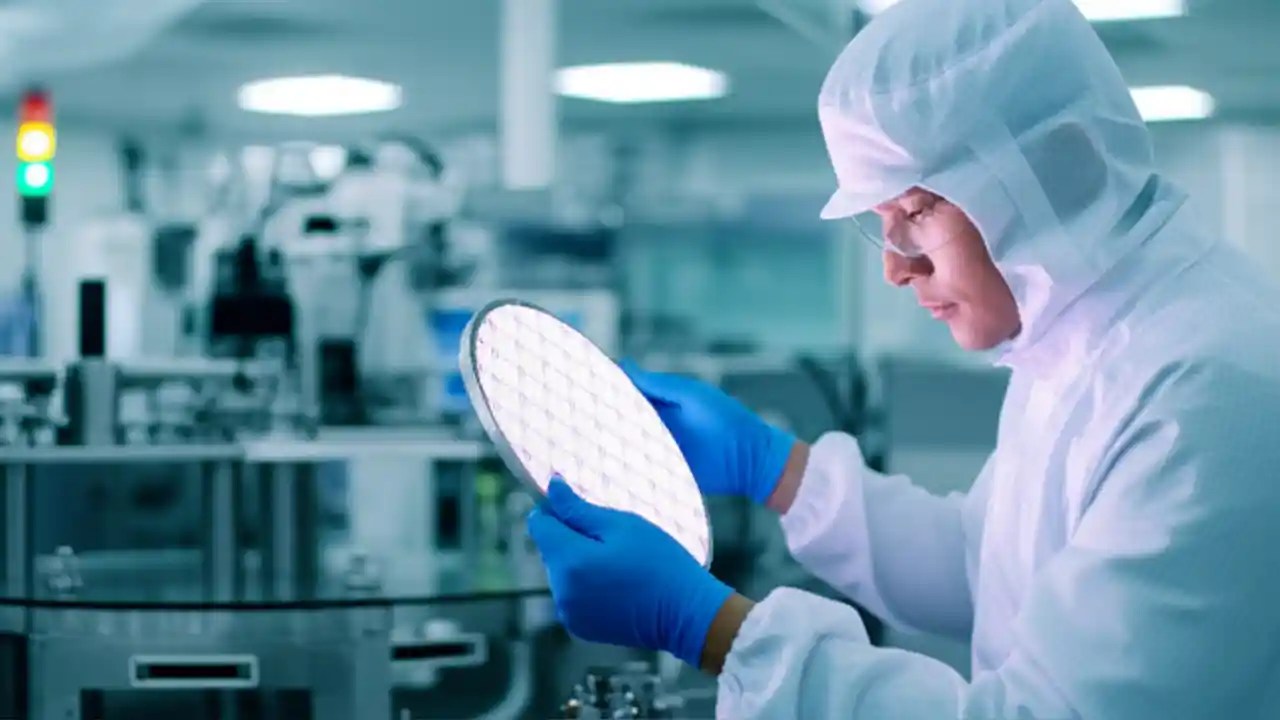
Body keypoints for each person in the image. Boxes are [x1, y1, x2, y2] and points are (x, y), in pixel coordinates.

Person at [525, 0, 1280, 716]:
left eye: (917, 210)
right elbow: (984, 569)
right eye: (882, 220)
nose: (895, 266)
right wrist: (775, 468)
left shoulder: (1203, 388)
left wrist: (715, 629)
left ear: (1063, 165)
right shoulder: (1082, 338)